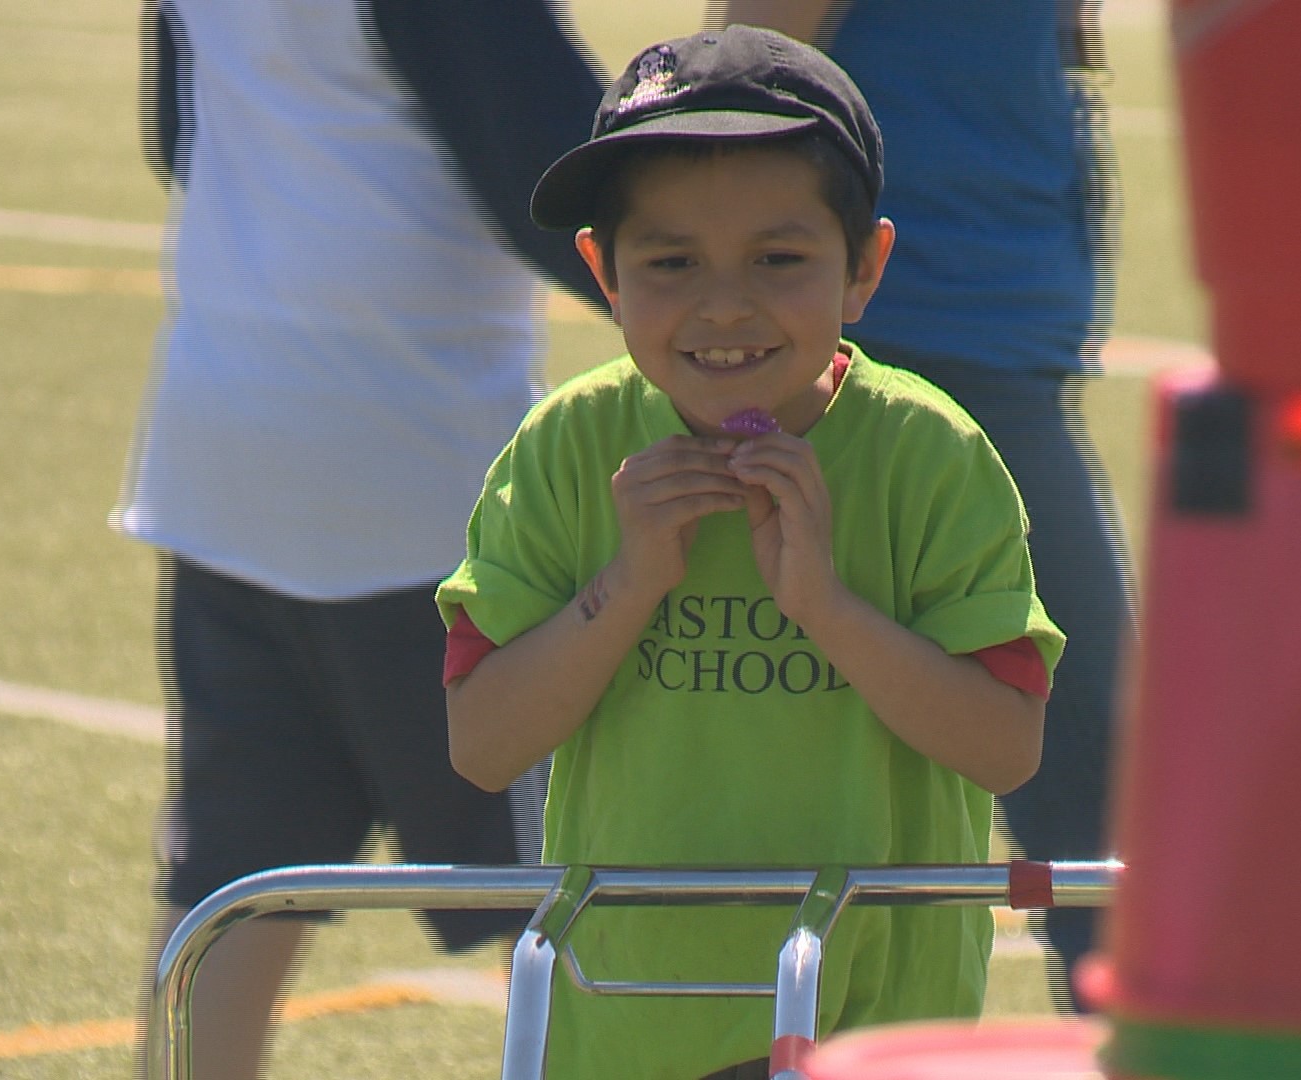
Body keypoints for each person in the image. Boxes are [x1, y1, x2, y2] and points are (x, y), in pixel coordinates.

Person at [439, 26, 1066, 1079]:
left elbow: (1006, 749)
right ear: (602, 271)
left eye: (778, 261)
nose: (724, 305)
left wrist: (828, 606)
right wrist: (626, 583)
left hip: (868, 1026)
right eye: (670, 263)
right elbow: (484, 744)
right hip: (626, 1024)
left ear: (864, 268)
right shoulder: (566, 448)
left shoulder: (932, 455)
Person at [121, 1, 606, 1076]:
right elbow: (564, 176)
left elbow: (178, 136)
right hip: (418, 475)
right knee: (566, 906)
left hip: (223, 447)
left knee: (228, 895)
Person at [709, 0, 1136, 1011]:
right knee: (1105, 805)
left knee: (1088, 794)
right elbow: (751, 74)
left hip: (985, 333)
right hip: (914, 338)